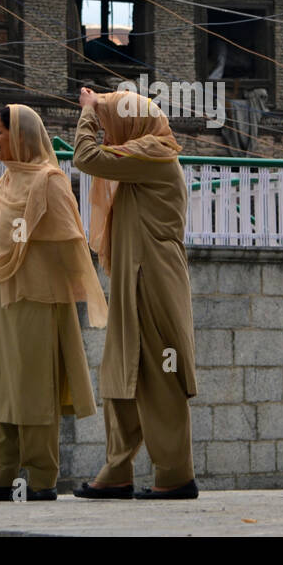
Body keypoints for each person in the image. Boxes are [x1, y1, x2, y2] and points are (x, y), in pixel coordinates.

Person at [0, 105, 107, 502]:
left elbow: (72, 241)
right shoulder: (6, 183)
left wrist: (66, 291)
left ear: (20, 135)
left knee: (34, 388)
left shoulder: (48, 181)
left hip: (38, 299)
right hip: (1, 296)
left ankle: (42, 478)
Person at [71, 88, 198, 500]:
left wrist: (89, 114)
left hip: (152, 279)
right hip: (136, 276)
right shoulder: (143, 156)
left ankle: (176, 474)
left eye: (112, 123)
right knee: (121, 370)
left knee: (160, 374)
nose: (109, 133)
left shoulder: (153, 151)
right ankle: (116, 470)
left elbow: (87, 159)